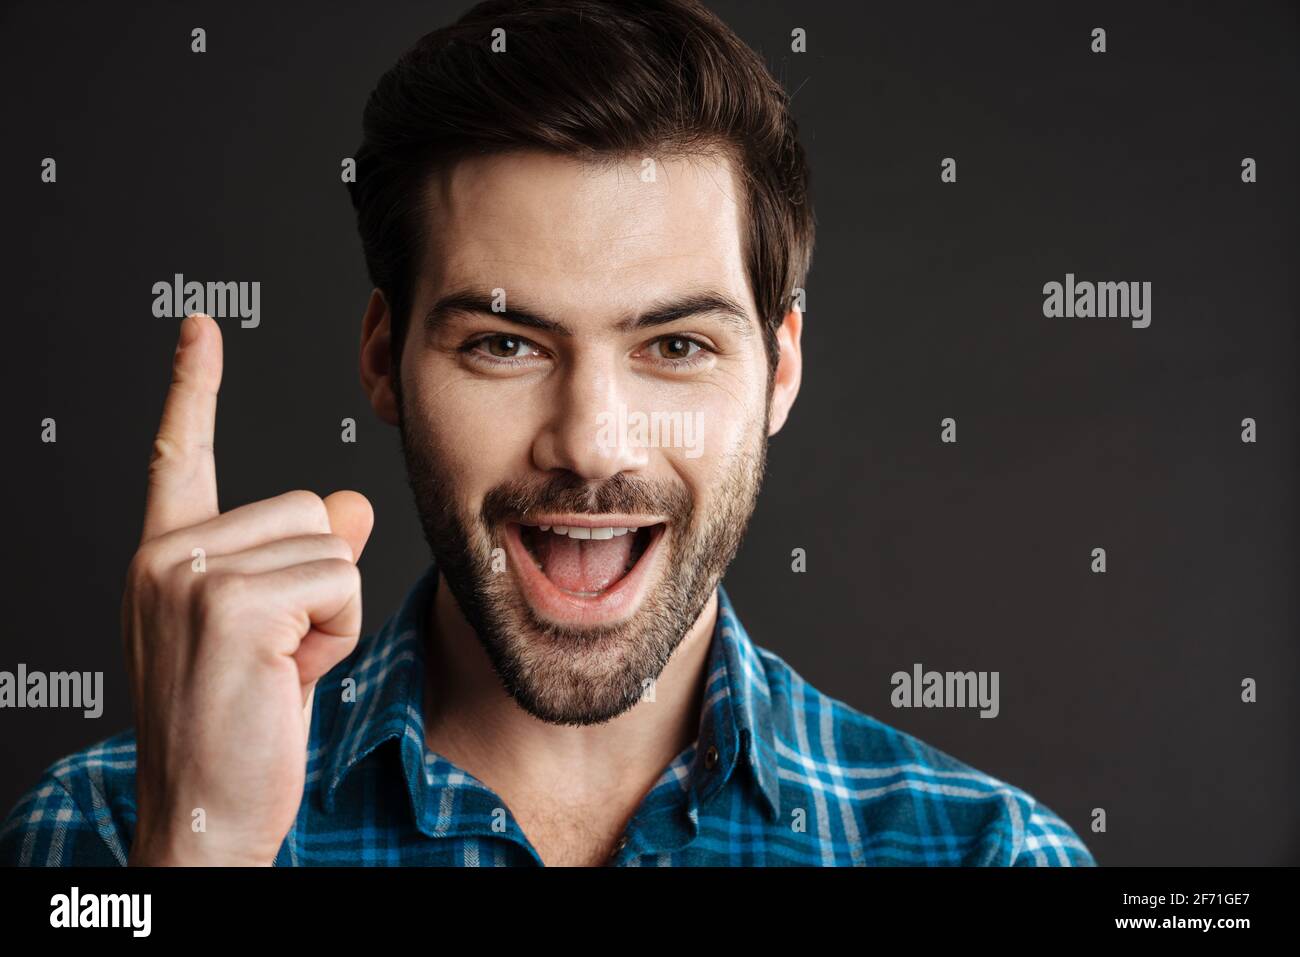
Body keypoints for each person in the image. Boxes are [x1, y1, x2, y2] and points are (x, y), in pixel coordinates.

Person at [0, 0, 1094, 866]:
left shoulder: (988, 856)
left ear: (781, 369)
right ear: (384, 357)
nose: (591, 444)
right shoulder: (102, 836)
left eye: (674, 345)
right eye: (504, 344)